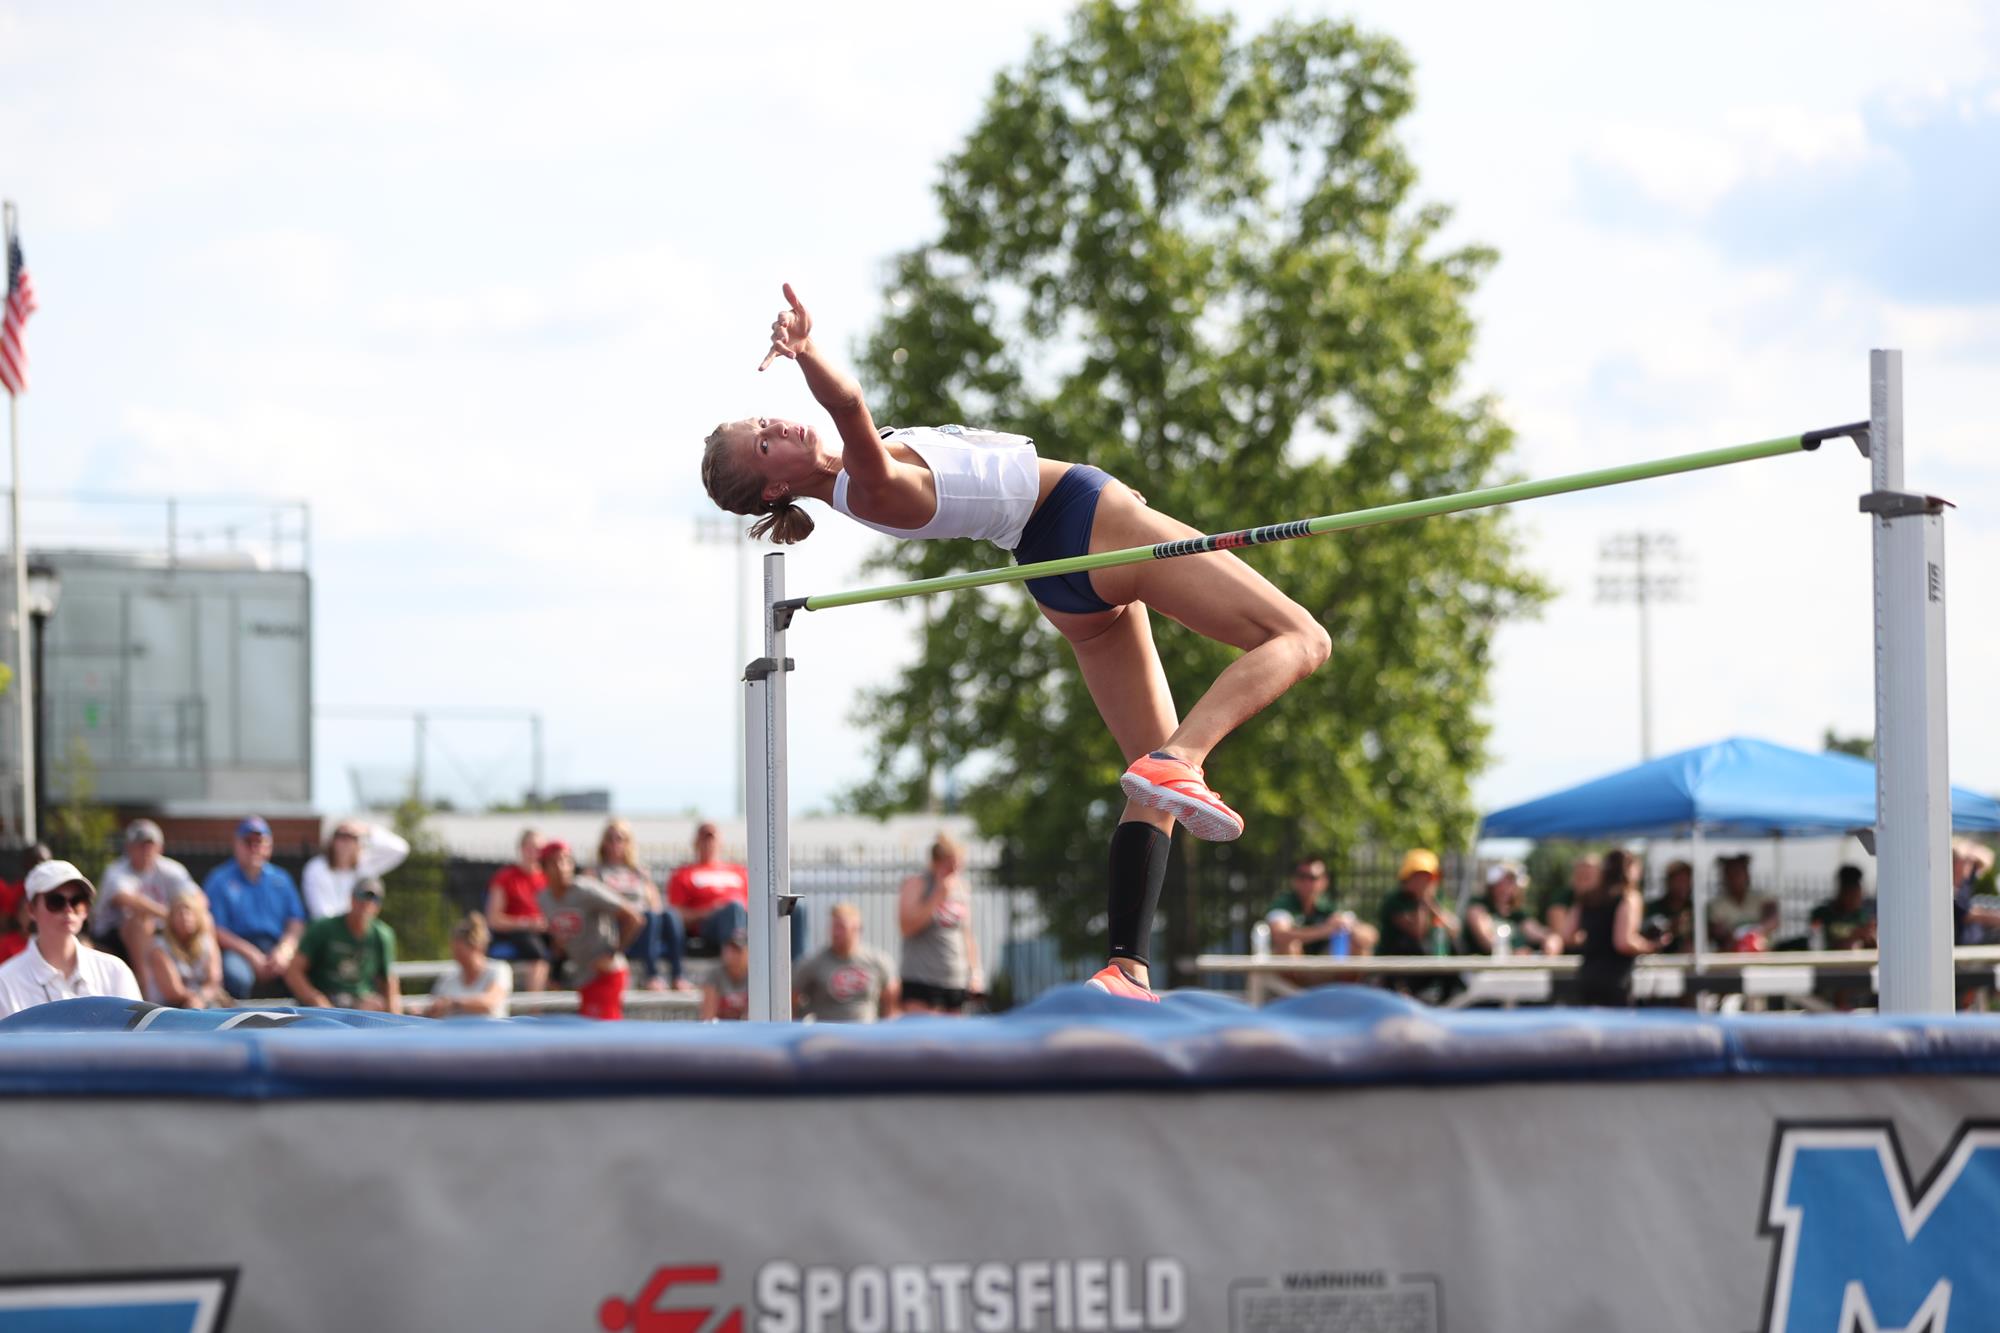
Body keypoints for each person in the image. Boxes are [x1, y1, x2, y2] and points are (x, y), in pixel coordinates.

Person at [702, 285, 1332, 1003]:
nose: (778, 424)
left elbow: (853, 422)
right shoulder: (865, 487)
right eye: (764, 443)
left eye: (764, 419)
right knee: (1301, 637)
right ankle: (1188, 758)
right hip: (1084, 516)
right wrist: (808, 350)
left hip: (1058, 576)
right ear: (775, 486)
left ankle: (1126, 965)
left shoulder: (856, 474)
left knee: (1146, 778)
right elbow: (848, 405)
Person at [0, 861, 142, 1018]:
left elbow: (137, 1040)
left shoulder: (115, 971)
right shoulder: (5, 982)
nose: (68, 909)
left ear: (86, 910)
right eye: (56, 901)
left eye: (78, 901)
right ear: (31, 909)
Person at [204, 816, 307, 1000]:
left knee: (302, 973)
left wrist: (284, 950)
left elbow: (296, 922)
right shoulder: (219, 880)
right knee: (236, 977)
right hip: (237, 949)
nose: (254, 848)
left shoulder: (281, 879)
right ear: (236, 844)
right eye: (247, 842)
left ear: (269, 846)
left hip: (276, 947)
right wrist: (252, 954)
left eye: (259, 842)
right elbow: (214, 928)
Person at [538, 840, 642, 1021]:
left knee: (604, 1033)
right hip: (583, 976)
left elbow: (634, 918)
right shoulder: (544, 898)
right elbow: (560, 937)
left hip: (606, 974)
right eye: (554, 862)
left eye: (566, 860)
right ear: (544, 868)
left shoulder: (585, 889)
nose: (562, 867)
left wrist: (611, 954)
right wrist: (556, 970)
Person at [594, 818, 685, 991]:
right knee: (648, 917)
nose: (615, 843)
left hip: (646, 925)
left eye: (620, 838)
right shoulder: (596, 872)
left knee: (670, 915)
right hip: (620, 928)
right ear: (604, 842)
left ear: (628, 842)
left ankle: (678, 975)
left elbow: (655, 903)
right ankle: (651, 974)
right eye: (610, 838)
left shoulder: (640, 873)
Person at [898, 834, 984, 1015]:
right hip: (921, 979)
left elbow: (966, 935)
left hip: (955, 979)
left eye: (958, 864)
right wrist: (937, 897)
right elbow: (907, 927)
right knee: (924, 1039)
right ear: (936, 862)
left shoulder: (961, 888)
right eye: (949, 864)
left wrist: (975, 973)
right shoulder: (917, 884)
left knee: (953, 1041)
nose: (955, 870)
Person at [286, 877, 402, 1013]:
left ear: (379, 906)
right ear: (351, 899)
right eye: (362, 896)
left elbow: (389, 981)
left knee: (374, 1004)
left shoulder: (382, 936)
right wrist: (316, 1000)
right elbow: (293, 972)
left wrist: (397, 1023)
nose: (366, 903)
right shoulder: (323, 928)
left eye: (373, 899)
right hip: (326, 999)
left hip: (360, 1003)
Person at [92, 819, 197, 967]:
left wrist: (187, 916)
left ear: (160, 848)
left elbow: (196, 897)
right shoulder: (116, 870)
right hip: (113, 937)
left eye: (149, 845)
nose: (145, 850)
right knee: (141, 921)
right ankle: (146, 982)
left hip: (161, 931)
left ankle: (208, 977)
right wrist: (168, 914)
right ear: (129, 848)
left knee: (203, 919)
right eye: (140, 845)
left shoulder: (171, 869)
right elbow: (125, 898)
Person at [1569, 848, 1656, 1006]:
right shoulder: (1629, 897)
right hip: (1615, 977)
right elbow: (1623, 942)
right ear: (1629, 869)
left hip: (1587, 975)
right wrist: (1649, 946)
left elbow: (1568, 934)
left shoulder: (1587, 897)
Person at [794, 903, 898, 1023]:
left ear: (857, 929)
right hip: (828, 1036)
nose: (836, 933)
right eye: (833, 927)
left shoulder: (878, 962)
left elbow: (891, 1001)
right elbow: (792, 997)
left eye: (841, 927)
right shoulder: (813, 963)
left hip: (866, 1036)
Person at [1266, 856, 1377, 958]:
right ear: (1294, 880)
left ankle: (1343, 980)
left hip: (1323, 969)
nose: (1307, 882)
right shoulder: (1284, 904)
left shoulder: (1330, 906)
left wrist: (1347, 926)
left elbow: (1371, 935)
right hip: (1293, 973)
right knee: (1291, 944)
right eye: (1302, 876)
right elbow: (1279, 935)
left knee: (1356, 944)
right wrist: (1324, 930)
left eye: (1313, 878)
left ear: (1324, 881)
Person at [301, 819, 410, 920]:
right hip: (327, 931)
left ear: (358, 842)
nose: (345, 842)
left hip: (358, 929)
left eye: (352, 837)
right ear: (332, 841)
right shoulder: (316, 868)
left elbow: (401, 849)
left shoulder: (366, 864)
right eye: (340, 836)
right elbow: (319, 910)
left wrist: (368, 830)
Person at [484, 828, 551, 992]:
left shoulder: (547, 879)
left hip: (544, 932)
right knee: (537, 955)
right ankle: (535, 1009)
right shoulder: (505, 878)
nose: (535, 853)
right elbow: (494, 919)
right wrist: (526, 923)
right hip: (517, 932)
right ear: (521, 848)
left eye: (540, 849)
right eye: (531, 847)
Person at [144, 886, 227, 1009]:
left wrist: (201, 998)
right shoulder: (159, 948)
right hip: (169, 1008)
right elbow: (173, 991)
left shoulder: (208, 943)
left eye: (189, 912)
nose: (185, 917)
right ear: (171, 919)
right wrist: (195, 999)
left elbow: (214, 981)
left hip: (204, 1001)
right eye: (180, 913)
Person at [423, 913, 513, 1019]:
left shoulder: (499, 969)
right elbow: (435, 1011)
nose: (456, 956)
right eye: (455, 951)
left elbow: (490, 1003)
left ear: (477, 948)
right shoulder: (448, 976)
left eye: (460, 951)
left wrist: (453, 1004)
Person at [1463, 862, 1561, 956]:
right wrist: (1513, 953)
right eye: (1501, 882)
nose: (1505, 888)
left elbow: (1537, 932)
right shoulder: (1478, 907)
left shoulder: (1518, 915)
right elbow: (1488, 942)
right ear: (1492, 885)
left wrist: (1552, 939)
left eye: (1510, 882)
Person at [1378, 849, 1459, 957]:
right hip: (1398, 964)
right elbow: (1417, 932)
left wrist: (1431, 904)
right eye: (1419, 876)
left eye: (1428, 877)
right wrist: (1422, 901)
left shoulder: (1437, 898)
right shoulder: (1395, 901)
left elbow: (1454, 928)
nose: (1424, 881)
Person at [1706, 852, 1777, 950]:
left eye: (1738, 873)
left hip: (1763, 954)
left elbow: (1773, 918)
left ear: (1747, 875)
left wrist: (1755, 932)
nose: (1734, 878)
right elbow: (1716, 931)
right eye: (1730, 874)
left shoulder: (1761, 898)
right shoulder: (1716, 905)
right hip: (1731, 958)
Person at [0, 843, 48, 965]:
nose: (40, 867)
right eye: (34, 862)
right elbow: (4, 923)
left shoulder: (61, 891)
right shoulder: (17, 890)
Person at [1810, 865, 1876, 951]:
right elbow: (1816, 946)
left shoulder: (1862, 916)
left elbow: (1871, 950)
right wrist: (1853, 936)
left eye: (1857, 895)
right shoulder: (1822, 914)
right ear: (1842, 892)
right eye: (1851, 895)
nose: (1856, 899)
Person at [1641, 859, 1696, 954]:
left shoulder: (1696, 910)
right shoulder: (1653, 908)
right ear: (1668, 881)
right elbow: (1645, 935)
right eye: (1679, 880)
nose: (1683, 885)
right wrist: (1670, 928)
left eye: (1687, 880)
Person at [700, 929, 751, 1021]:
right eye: (729, 949)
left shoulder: (755, 977)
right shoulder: (715, 975)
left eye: (737, 950)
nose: (731, 954)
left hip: (747, 1030)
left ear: (748, 952)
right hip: (720, 1030)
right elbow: (708, 1017)